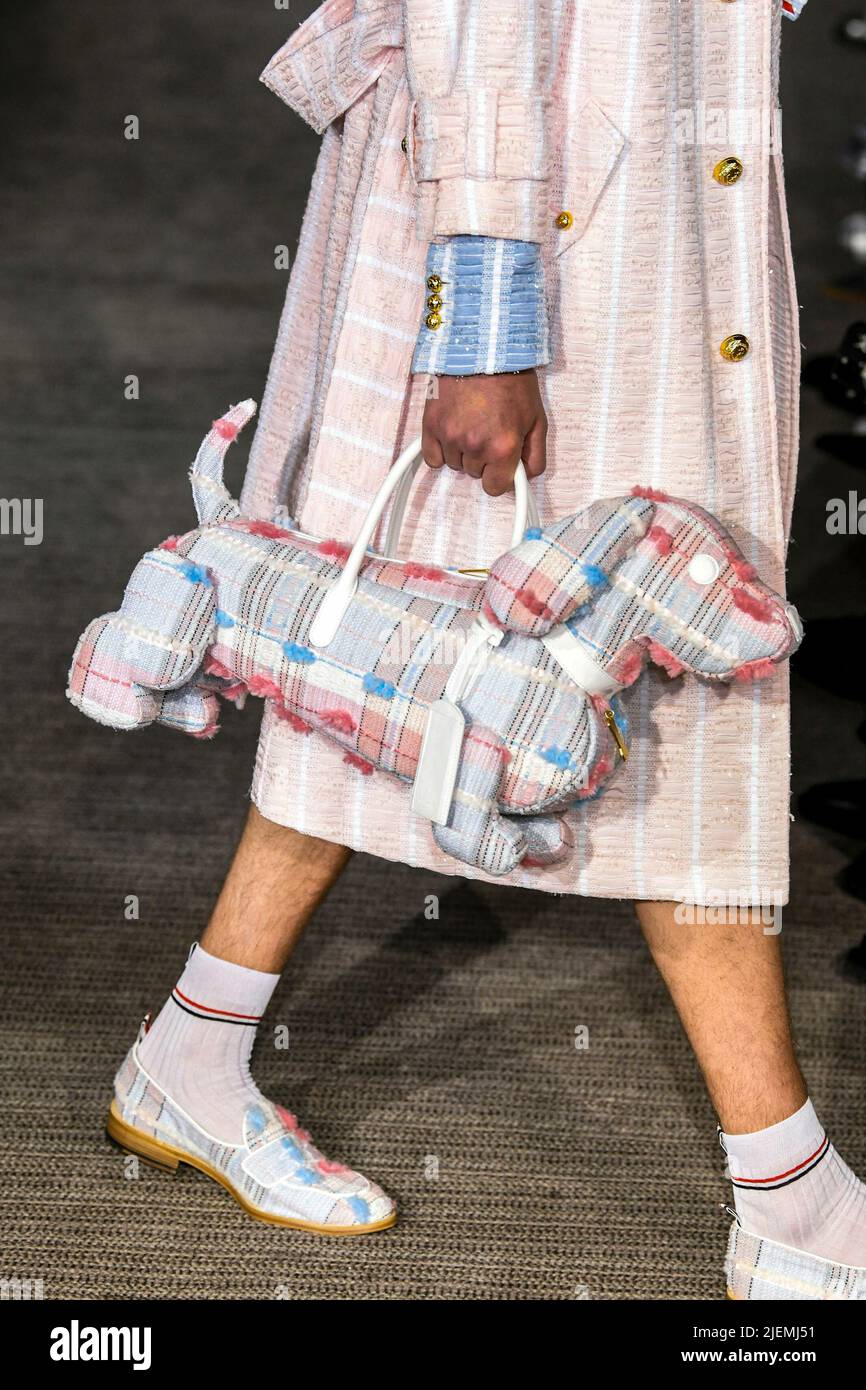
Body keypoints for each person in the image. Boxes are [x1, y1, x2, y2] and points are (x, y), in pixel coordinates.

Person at [107, 0, 866, 1295]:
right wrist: (483, 326)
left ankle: (190, 1052)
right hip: (544, 249)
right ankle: (790, 1204)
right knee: (638, 684)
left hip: (609, 213)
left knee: (391, 675)